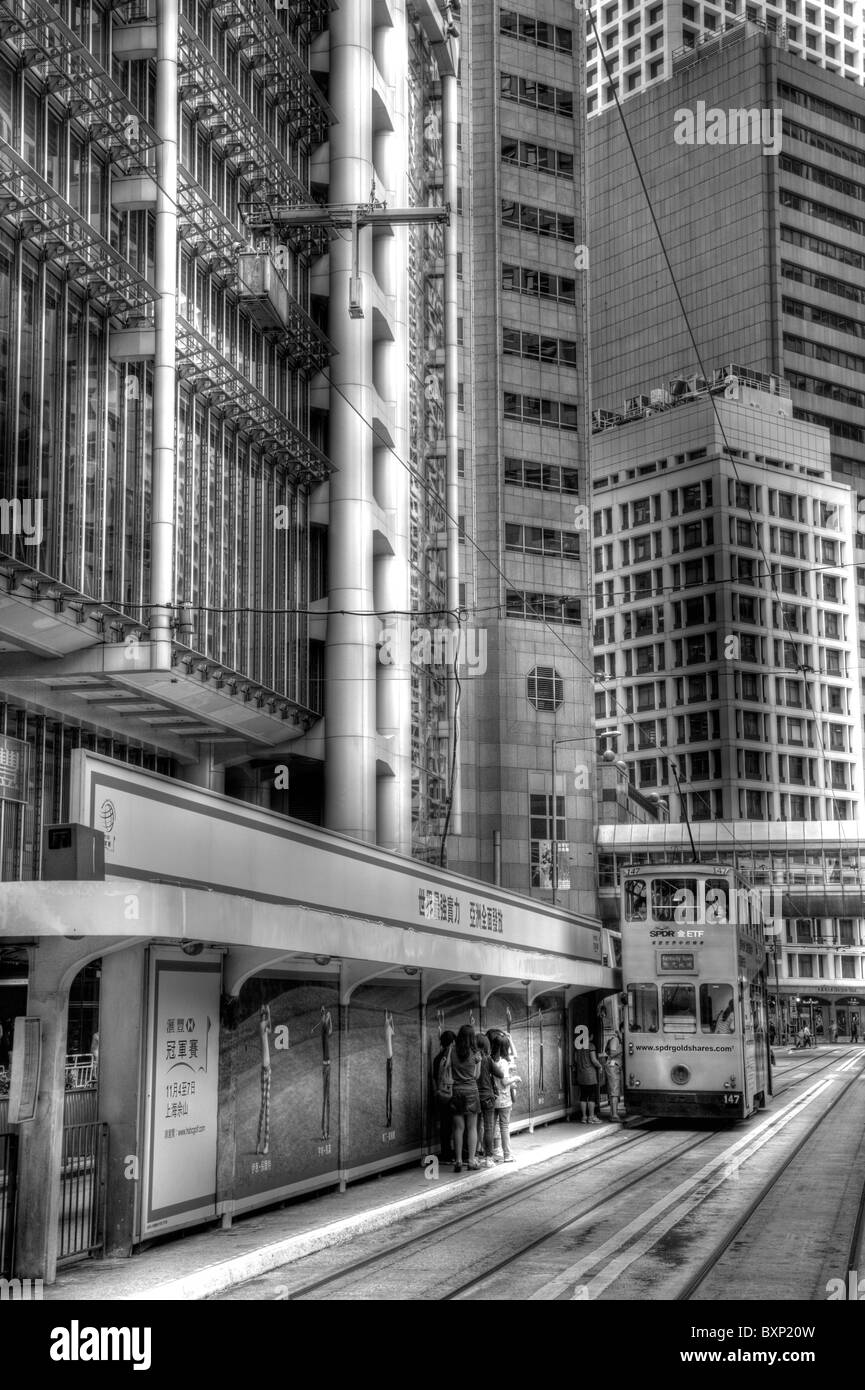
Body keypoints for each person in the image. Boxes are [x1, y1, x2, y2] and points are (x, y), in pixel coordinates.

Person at [450, 1024, 481, 1172]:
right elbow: (476, 1076)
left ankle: (458, 1161)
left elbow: (448, 1071)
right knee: (471, 1127)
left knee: (458, 1128)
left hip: (456, 1091)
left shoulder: (452, 1051)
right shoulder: (476, 1054)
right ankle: (471, 1161)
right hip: (471, 1092)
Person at [489, 1031, 520, 1162]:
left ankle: (496, 1151)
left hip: (493, 1098)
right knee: (504, 1126)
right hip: (504, 1099)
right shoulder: (504, 1063)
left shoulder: (490, 1060)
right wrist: (516, 1079)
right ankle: (507, 1154)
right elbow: (505, 1081)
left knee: (493, 1125)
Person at [432, 1029, 456, 1162]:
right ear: (453, 1042)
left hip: (441, 1095)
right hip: (453, 1093)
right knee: (457, 1124)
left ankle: (445, 1152)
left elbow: (435, 1077)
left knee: (444, 1125)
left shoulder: (437, 1058)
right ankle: (456, 1152)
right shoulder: (454, 1057)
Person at [477, 1033, 498, 1167]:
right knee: (489, 1127)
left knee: (475, 1126)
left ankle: (476, 1155)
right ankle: (489, 1158)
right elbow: (500, 1074)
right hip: (487, 1097)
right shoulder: (487, 1059)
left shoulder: (472, 1058)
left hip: (474, 1097)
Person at [573, 1037, 603, 1124]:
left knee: (583, 1095)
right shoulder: (591, 1045)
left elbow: (575, 1060)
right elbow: (593, 1060)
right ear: (590, 1036)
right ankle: (591, 1117)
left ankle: (584, 1117)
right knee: (591, 1096)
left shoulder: (578, 1046)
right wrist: (600, 1066)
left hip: (581, 1074)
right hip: (590, 1075)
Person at [256, 1003, 272, 1155]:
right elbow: (268, 1025)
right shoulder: (261, 1024)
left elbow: (271, 1029)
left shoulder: (264, 1025)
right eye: (263, 1011)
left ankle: (263, 1144)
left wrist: (267, 1011)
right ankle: (260, 1143)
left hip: (267, 1068)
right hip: (264, 1070)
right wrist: (269, 1011)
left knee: (266, 1107)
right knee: (264, 1107)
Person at [603, 1033, 625, 1122]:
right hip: (613, 1066)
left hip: (615, 1067)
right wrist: (623, 1047)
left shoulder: (619, 1040)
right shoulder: (615, 1040)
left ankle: (614, 1114)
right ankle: (614, 1115)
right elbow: (612, 1053)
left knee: (615, 1091)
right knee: (614, 1091)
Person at [384, 1009, 395, 1127]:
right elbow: (393, 1029)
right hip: (390, 1062)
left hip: (389, 1062)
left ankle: (389, 1118)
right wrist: (390, 1018)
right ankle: (388, 1118)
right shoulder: (388, 1028)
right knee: (389, 1092)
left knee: (389, 1092)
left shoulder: (387, 1028)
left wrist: (390, 1017)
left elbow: (393, 1030)